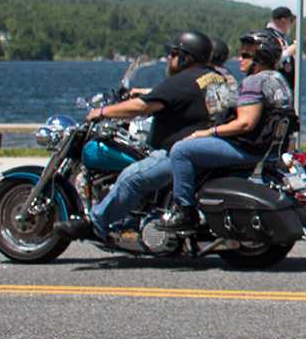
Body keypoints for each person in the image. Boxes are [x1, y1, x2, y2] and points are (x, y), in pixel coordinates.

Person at [67, 31, 222, 242]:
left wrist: (102, 112)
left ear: (186, 56)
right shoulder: (214, 78)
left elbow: (142, 106)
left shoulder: (182, 80)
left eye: (173, 53)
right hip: (208, 149)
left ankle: (95, 224)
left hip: (178, 153)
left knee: (130, 179)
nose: (169, 58)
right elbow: (180, 101)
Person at [161, 33, 294, 234]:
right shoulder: (278, 79)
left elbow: (245, 124)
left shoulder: (254, 81)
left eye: (245, 55)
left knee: (181, 150)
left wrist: (207, 132)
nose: (239, 59)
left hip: (248, 148)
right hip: (267, 149)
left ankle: (184, 211)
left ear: (260, 58)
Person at [267, 6, 298, 92]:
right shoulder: (268, 36)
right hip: (275, 91)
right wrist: (289, 51)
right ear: (283, 21)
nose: (291, 25)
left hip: (285, 89)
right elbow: (269, 61)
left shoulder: (281, 37)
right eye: (291, 21)